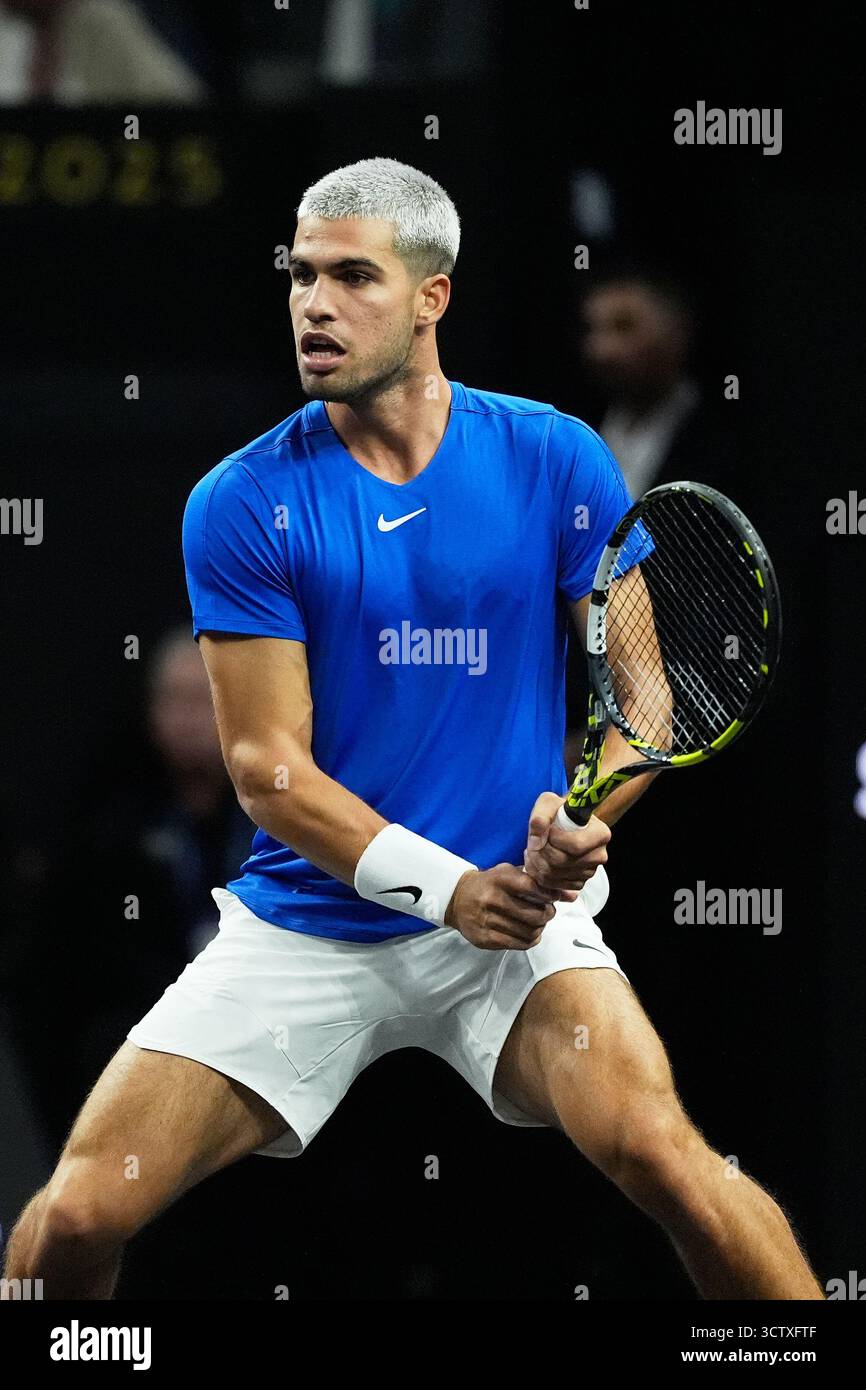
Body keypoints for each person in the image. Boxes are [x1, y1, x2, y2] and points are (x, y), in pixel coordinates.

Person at [2, 158, 823, 1301]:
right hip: (316, 919)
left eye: (350, 277)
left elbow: (643, 705)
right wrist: (447, 888)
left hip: (520, 921)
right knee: (79, 1215)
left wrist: (579, 824)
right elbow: (267, 769)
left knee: (664, 1159)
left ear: (430, 298)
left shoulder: (553, 458)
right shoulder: (239, 502)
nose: (312, 305)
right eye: (299, 277)